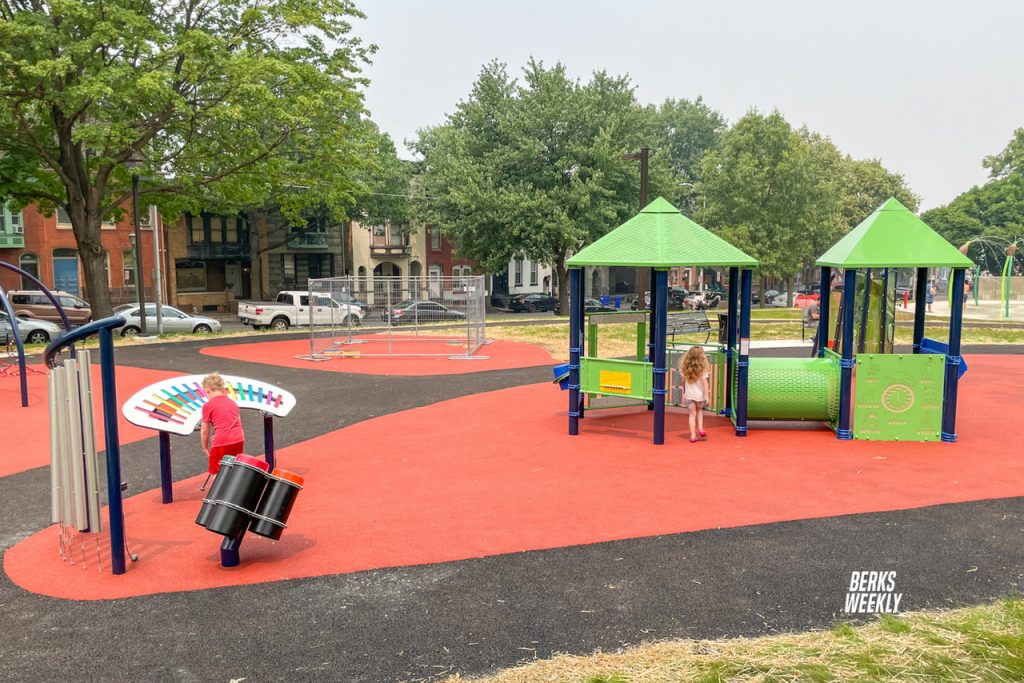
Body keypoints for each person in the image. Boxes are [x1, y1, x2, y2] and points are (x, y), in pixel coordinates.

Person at [200, 372, 245, 475]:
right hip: (239, 438)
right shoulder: (232, 403)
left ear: (208, 390)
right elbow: (237, 422)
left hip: (222, 441)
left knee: (217, 471)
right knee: (233, 467)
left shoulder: (208, 405)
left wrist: (205, 447)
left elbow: (205, 430)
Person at [679, 346, 710, 443]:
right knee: (699, 411)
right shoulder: (702, 370)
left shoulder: (685, 369)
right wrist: (707, 396)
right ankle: (700, 428)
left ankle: (693, 435)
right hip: (699, 395)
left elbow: (683, 382)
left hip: (689, 395)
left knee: (692, 415)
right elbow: (705, 384)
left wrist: (684, 392)